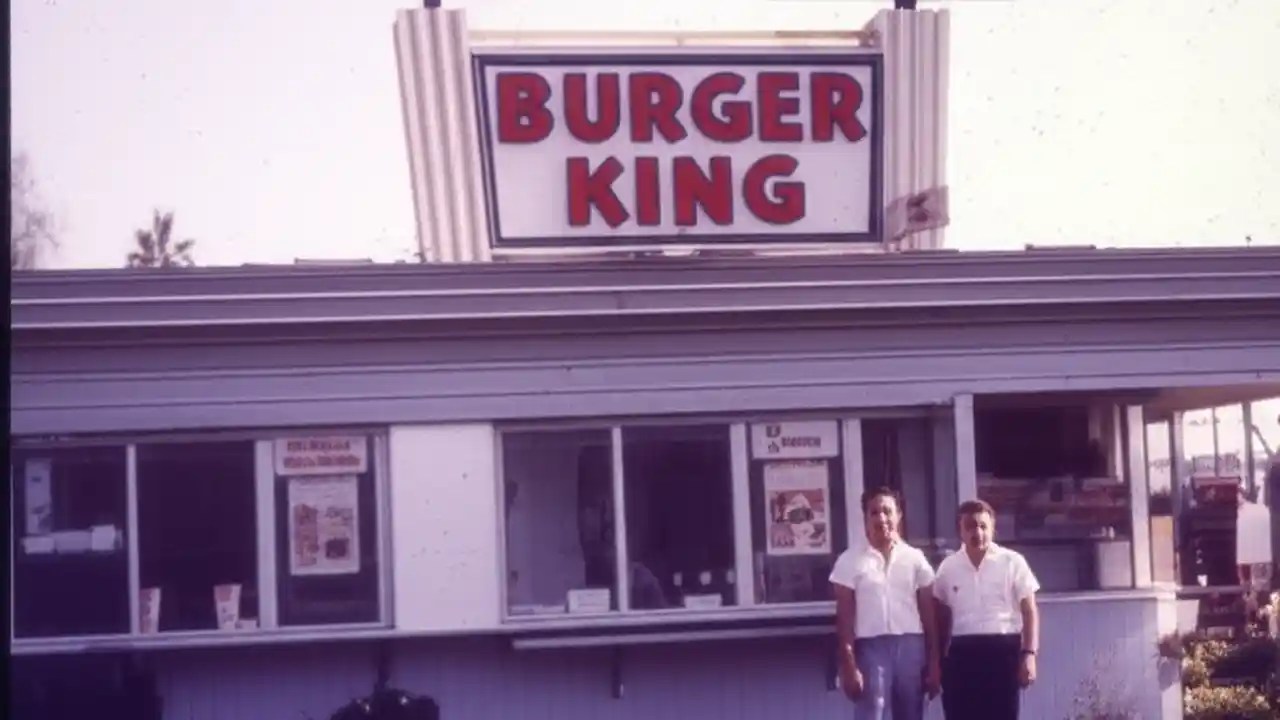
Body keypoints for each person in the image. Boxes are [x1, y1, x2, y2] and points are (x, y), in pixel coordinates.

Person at [829, 486, 941, 720]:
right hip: (870, 648)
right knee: (872, 712)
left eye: (887, 511)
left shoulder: (915, 559)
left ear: (898, 515)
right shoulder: (849, 561)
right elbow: (844, 618)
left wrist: (933, 661)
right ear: (865, 518)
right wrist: (848, 664)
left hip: (911, 647)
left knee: (911, 713)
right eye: (874, 512)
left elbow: (929, 614)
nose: (882, 518)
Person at [933, 499, 1040, 720]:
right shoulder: (948, 568)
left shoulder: (1012, 562)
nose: (977, 532)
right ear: (960, 531)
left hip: (1002, 651)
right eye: (970, 526)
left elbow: (1029, 611)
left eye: (983, 526)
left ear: (993, 529)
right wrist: (937, 660)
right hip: (962, 653)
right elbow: (939, 617)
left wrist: (1029, 655)